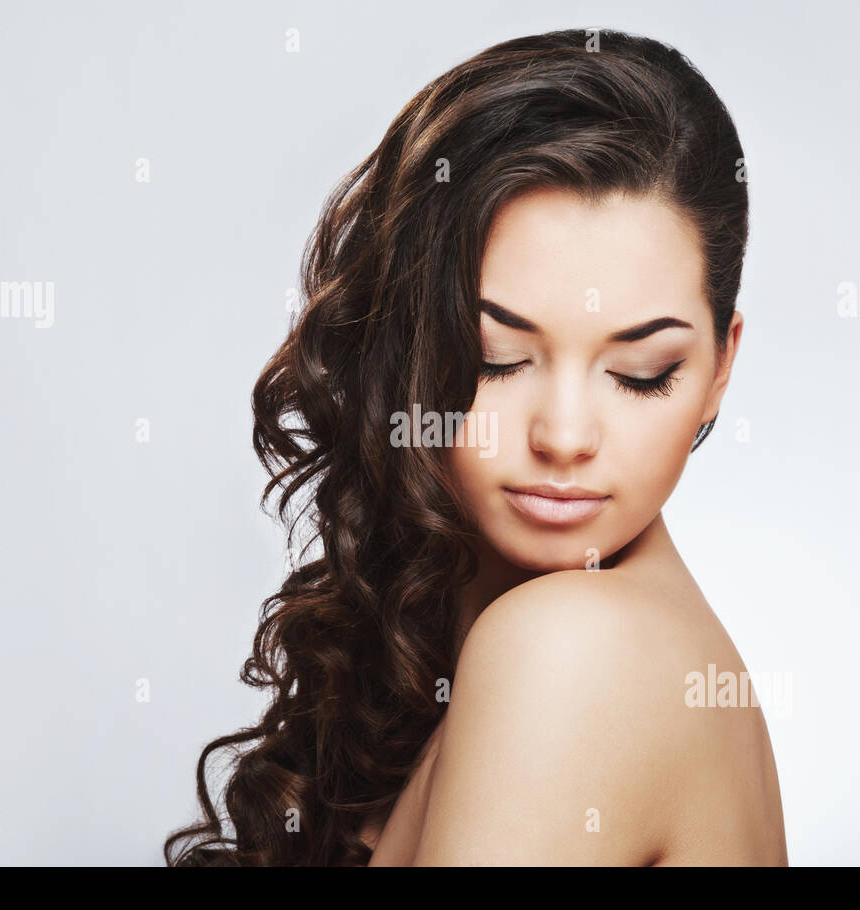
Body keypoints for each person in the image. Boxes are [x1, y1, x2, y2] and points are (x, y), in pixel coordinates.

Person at [166, 26, 787, 866]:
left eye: (642, 373)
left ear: (720, 369)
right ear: (411, 344)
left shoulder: (577, 649)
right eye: (497, 360)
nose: (564, 437)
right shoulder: (518, 633)